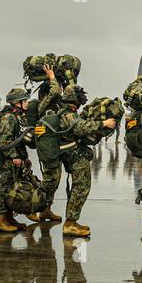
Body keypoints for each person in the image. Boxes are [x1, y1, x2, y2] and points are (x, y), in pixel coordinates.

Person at [46, 85, 117, 238]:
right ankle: (70, 224)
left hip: (70, 154)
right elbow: (80, 128)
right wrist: (103, 124)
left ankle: (72, 222)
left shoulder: (65, 112)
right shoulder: (68, 115)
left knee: (78, 188)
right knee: (81, 187)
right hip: (74, 156)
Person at [31, 63, 70, 223]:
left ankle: (46, 210)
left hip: (53, 144)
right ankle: (31, 208)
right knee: (49, 180)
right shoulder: (43, 104)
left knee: (55, 179)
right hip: (46, 146)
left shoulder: (53, 106)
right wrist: (51, 76)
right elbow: (55, 91)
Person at [0, 87, 32, 233]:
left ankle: (9, 218)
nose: (27, 104)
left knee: (11, 189)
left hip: (16, 160)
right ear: (17, 102)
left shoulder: (17, 116)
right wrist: (14, 157)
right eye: (24, 101)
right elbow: (4, 141)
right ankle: (1, 220)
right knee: (5, 189)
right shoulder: (8, 117)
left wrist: (24, 158)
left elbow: (18, 140)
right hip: (8, 161)